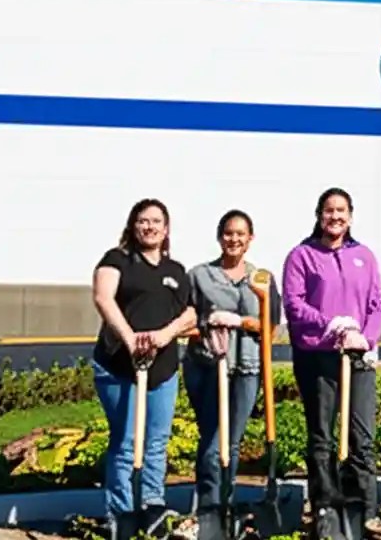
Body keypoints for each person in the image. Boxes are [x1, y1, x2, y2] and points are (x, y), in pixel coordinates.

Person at [282, 188, 381, 540]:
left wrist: (364, 337)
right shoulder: (302, 255)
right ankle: (326, 506)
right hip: (317, 355)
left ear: (351, 216)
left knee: (362, 437)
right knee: (322, 437)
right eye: (329, 211)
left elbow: (376, 302)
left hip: (358, 355)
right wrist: (333, 324)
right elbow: (294, 305)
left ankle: (364, 509)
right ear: (319, 214)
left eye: (342, 211)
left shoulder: (365, 256)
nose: (335, 217)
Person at [90, 198, 197, 539]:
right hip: (119, 367)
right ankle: (119, 511)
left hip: (162, 371)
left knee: (156, 442)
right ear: (133, 226)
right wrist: (130, 339)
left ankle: (152, 505)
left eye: (156, 222)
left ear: (166, 230)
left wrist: (165, 335)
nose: (149, 227)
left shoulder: (176, 271)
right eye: (142, 221)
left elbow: (191, 315)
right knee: (125, 441)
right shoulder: (117, 260)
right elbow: (103, 298)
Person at [181, 209, 282, 530]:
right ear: (219, 236)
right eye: (228, 233)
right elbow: (183, 320)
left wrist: (242, 322)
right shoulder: (198, 275)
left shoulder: (261, 279)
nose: (234, 239)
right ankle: (210, 505)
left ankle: (220, 505)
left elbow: (273, 328)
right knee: (213, 438)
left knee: (230, 441)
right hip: (207, 367)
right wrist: (205, 326)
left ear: (250, 239)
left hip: (247, 368)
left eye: (240, 234)